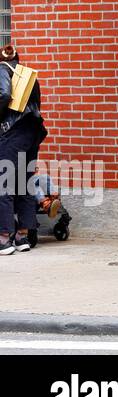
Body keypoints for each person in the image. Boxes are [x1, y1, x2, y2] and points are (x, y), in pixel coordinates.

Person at [0, 45, 45, 255]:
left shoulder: (2, 69)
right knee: (24, 183)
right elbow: (38, 104)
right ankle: (23, 236)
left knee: (4, 183)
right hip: (32, 133)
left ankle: (4, 238)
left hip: (12, 133)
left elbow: (3, 94)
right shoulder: (27, 74)